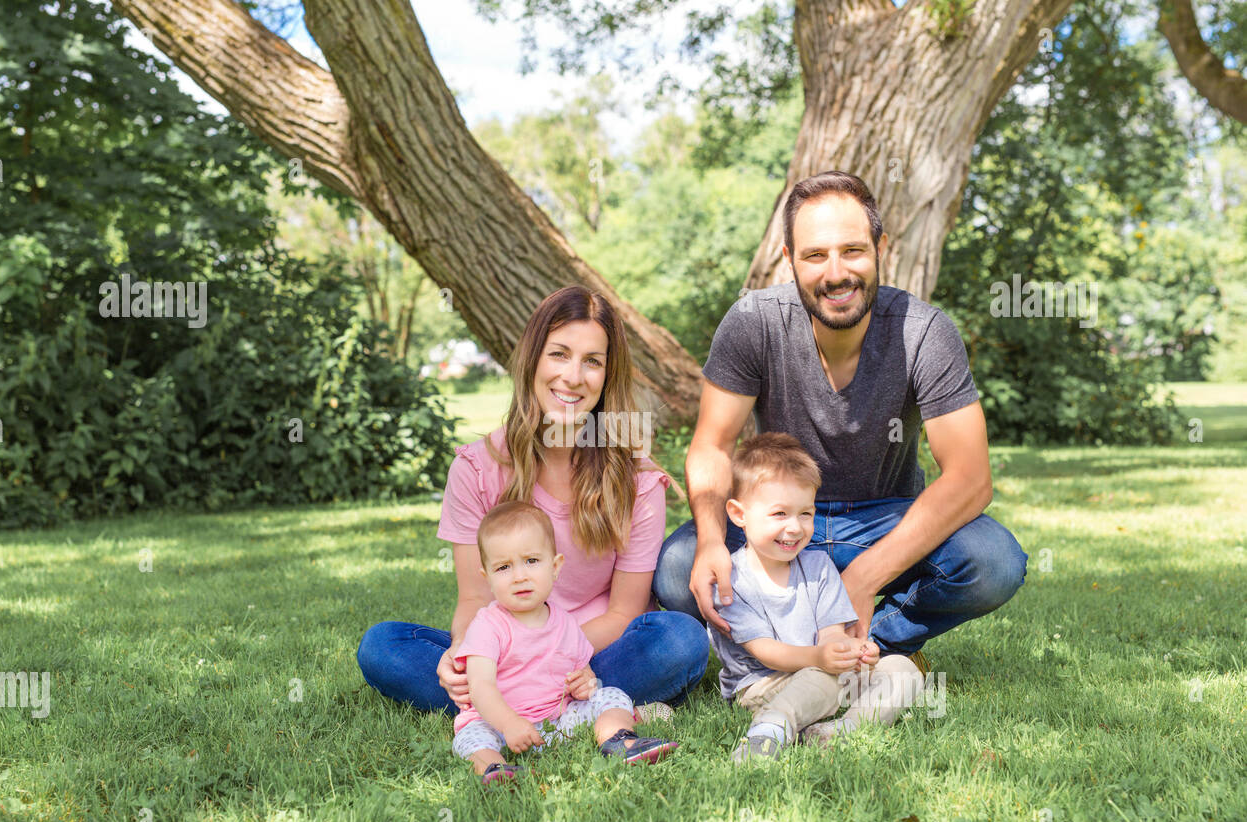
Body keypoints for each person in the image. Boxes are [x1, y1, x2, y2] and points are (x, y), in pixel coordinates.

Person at [654, 170, 1029, 662]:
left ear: (881, 249)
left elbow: (971, 479)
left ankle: (874, 641)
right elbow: (711, 446)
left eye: (852, 250)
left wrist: (861, 580)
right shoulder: (752, 322)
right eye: (815, 255)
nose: (835, 274)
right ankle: (805, 642)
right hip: (776, 517)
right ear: (789, 260)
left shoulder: (925, 332)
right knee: (677, 568)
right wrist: (709, 540)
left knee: (994, 561)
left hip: (885, 518)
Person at [359, 285, 708, 722]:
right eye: (559, 354)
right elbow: (473, 599)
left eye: (593, 361)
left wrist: (550, 654)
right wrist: (465, 654)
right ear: (533, 360)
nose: (574, 376)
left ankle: (523, 706)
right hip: (503, 656)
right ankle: (586, 707)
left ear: (608, 375)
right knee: (383, 646)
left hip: (589, 655)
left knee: (680, 640)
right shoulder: (476, 468)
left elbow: (625, 611)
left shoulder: (636, 478)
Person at [713, 433, 924, 761]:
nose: (795, 528)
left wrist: (853, 652)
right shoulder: (733, 578)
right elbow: (766, 652)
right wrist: (822, 660)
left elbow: (831, 635)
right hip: (762, 684)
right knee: (823, 679)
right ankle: (769, 728)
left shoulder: (819, 567)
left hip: (823, 672)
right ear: (739, 514)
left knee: (902, 669)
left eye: (806, 514)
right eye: (780, 514)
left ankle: (843, 729)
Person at [454, 501, 679, 785]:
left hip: (557, 719)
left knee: (609, 694)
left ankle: (619, 739)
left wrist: (585, 682)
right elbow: (480, 687)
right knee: (472, 737)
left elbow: (582, 670)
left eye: (532, 561)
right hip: (497, 722)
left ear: (555, 566)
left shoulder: (564, 622)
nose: (519, 576)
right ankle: (495, 770)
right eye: (503, 567)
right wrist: (508, 723)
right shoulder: (487, 626)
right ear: (487, 578)